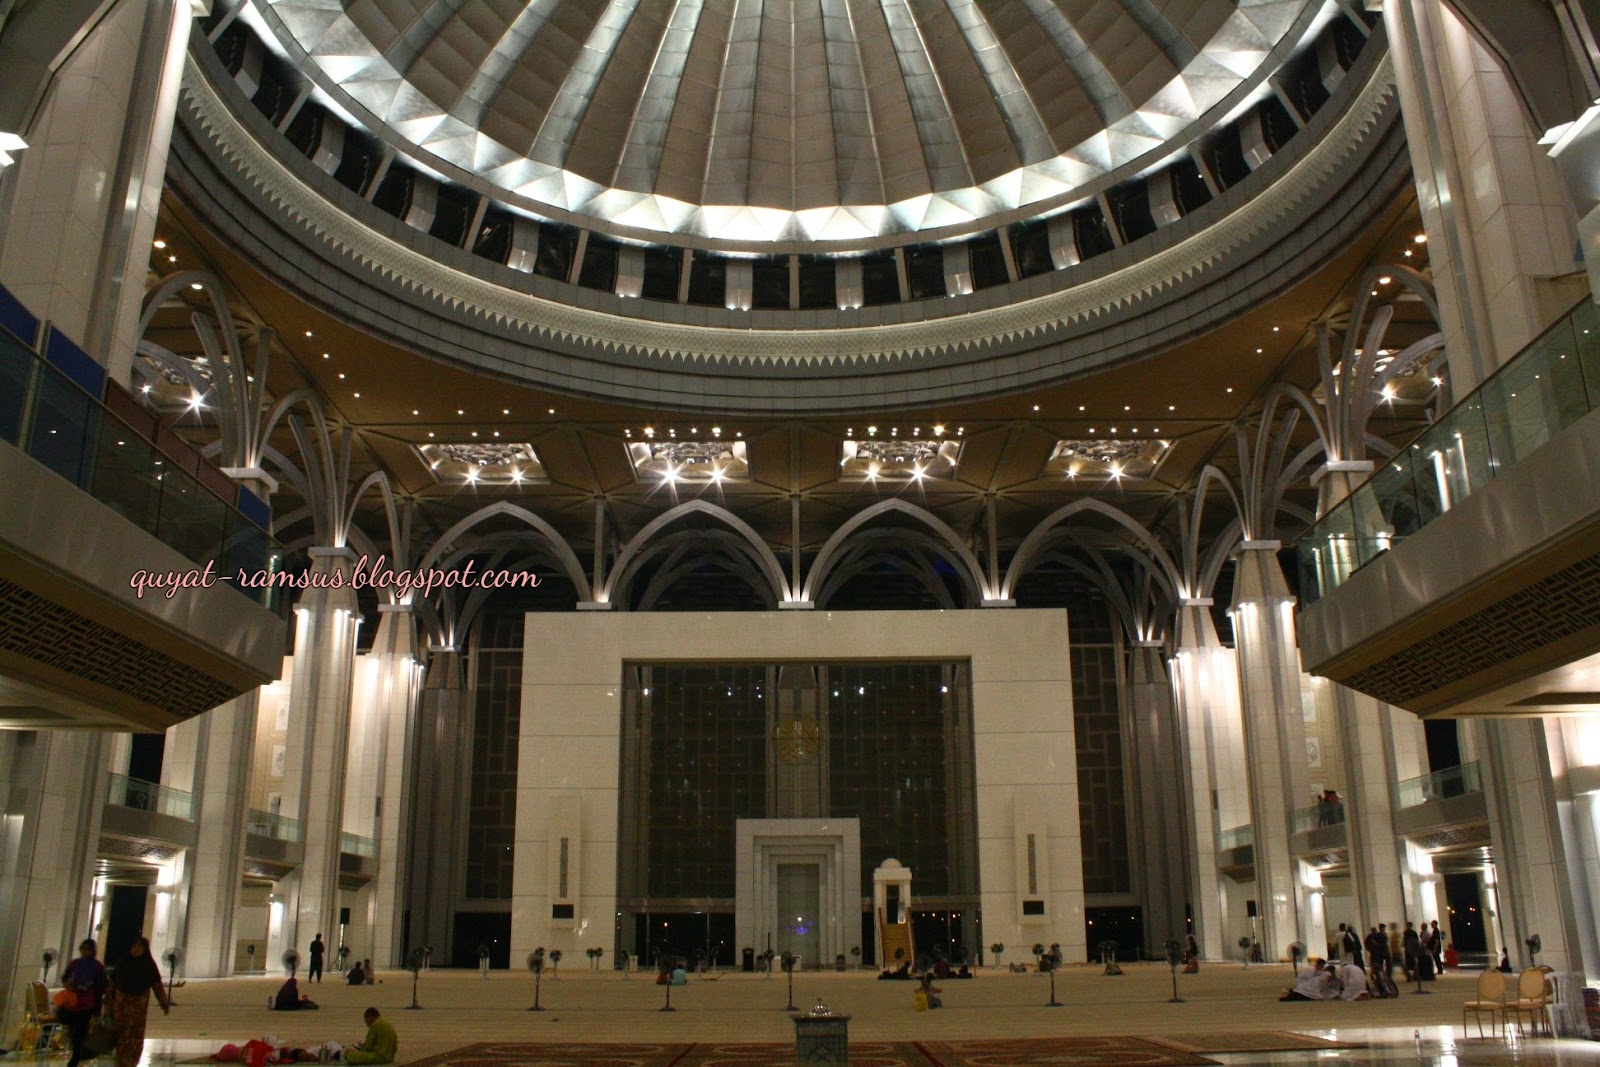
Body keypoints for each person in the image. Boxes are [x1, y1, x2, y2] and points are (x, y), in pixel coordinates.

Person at [107, 937, 170, 1067]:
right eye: (134, 947)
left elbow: (157, 985)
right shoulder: (123, 963)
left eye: (139, 947)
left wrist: (164, 1002)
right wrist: (107, 1002)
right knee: (121, 1034)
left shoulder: (149, 965)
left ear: (144, 949)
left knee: (135, 1036)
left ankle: (132, 1062)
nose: (136, 950)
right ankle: (121, 1061)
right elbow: (112, 984)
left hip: (138, 1010)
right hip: (121, 1007)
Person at [60, 938, 107, 1067]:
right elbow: (65, 978)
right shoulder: (75, 964)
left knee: (80, 1031)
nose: (85, 952)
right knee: (72, 1030)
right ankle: (77, 1053)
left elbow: (101, 986)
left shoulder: (97, 967)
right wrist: (69, 984)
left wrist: (97, 1007)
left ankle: (76, 1056)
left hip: (87, 1003)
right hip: (73, 1003)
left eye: (87, 949)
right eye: (83, 949)